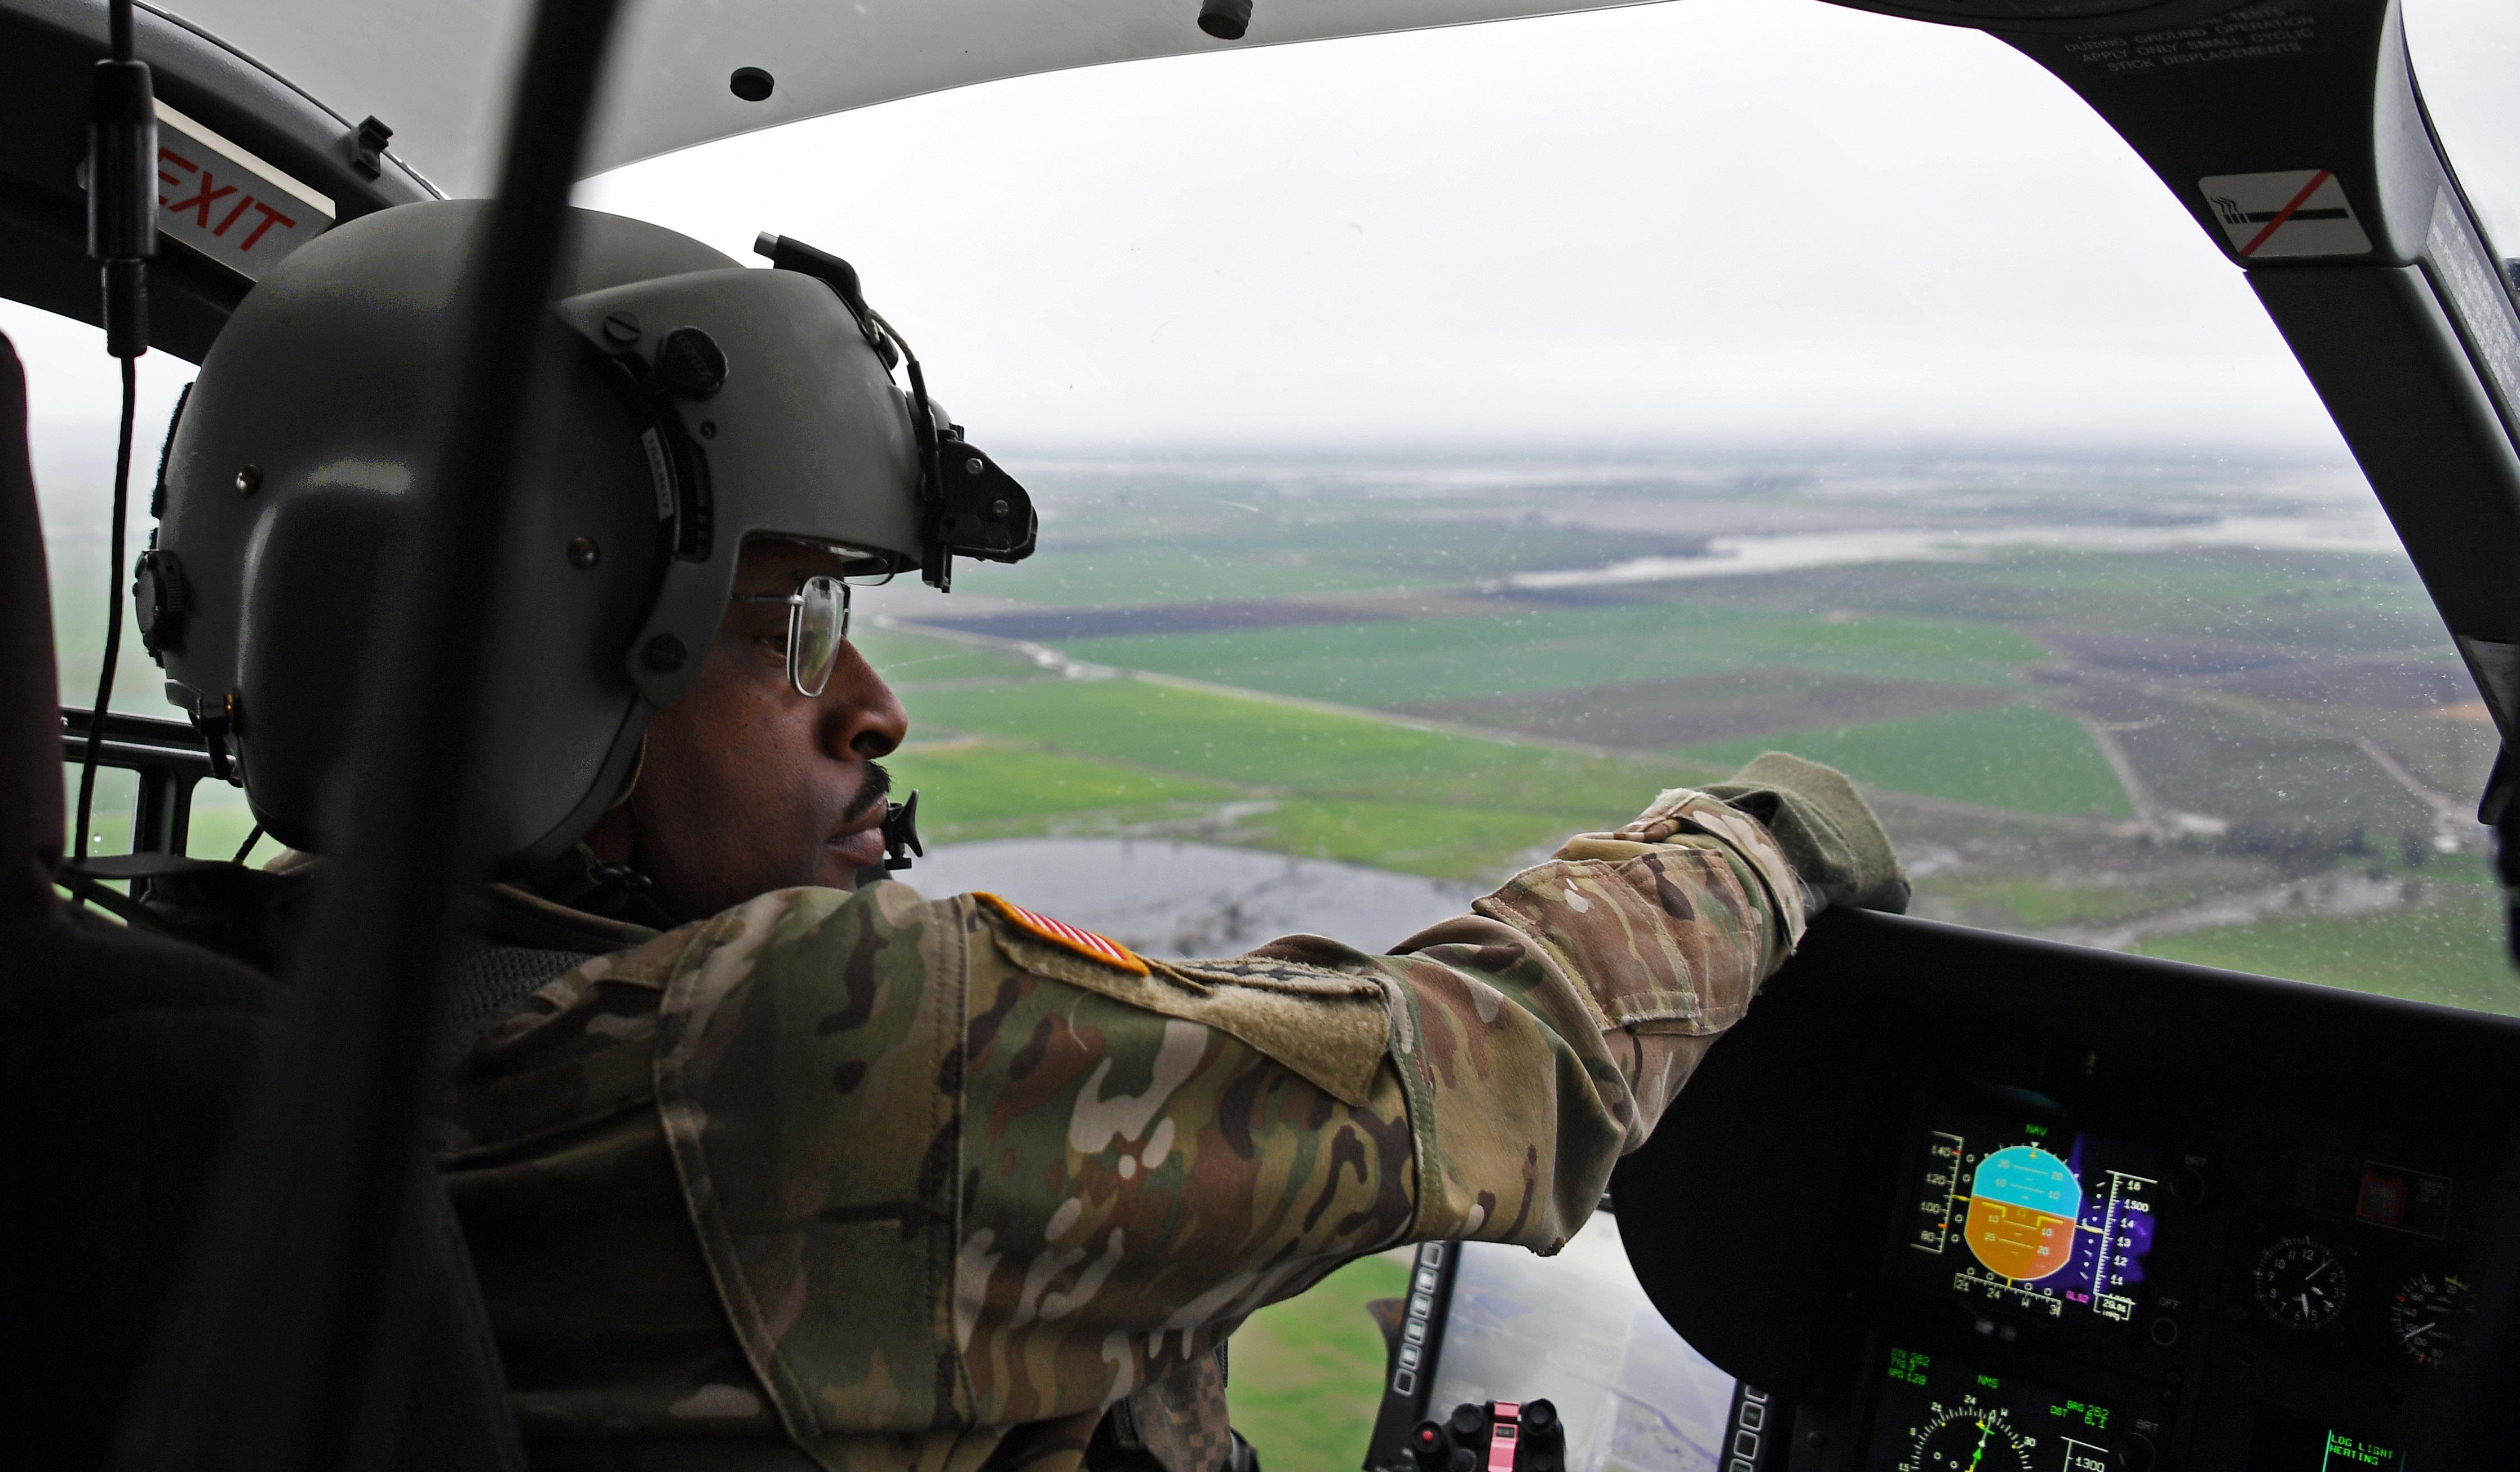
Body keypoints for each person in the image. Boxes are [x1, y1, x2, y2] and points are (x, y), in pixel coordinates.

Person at [144, 203, 1909, 1472]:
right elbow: (1478, 1066)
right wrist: (1767, 842)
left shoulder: (198, 1022)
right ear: (541, 652)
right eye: (801, 625)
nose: (874, 714)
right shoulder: (808, 1056)